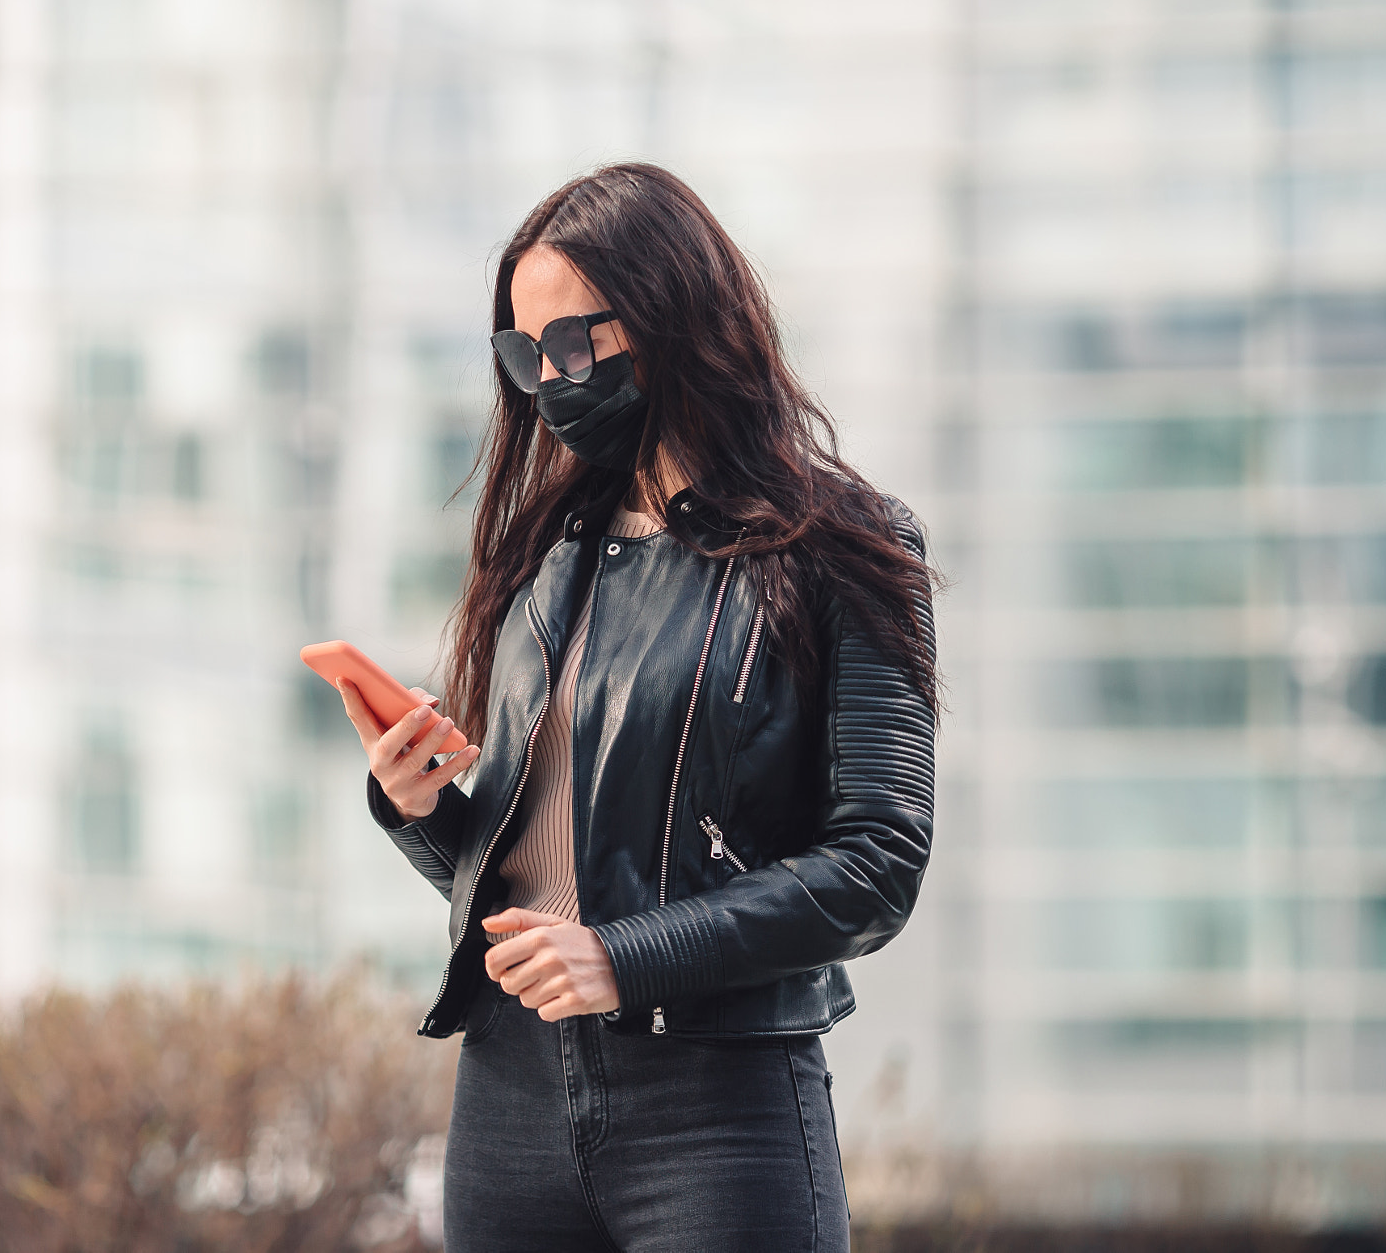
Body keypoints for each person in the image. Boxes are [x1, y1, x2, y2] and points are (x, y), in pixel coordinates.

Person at [334, 162, 937, 1253]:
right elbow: (542, 872)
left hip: (717, 1102)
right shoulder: (545, 557)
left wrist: (624, 955)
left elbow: (877, 862)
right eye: (523, 356)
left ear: (674, 315)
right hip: (509, 1094)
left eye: (572, 343)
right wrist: (423, 808)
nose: (547, 382)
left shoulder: (840, 545)